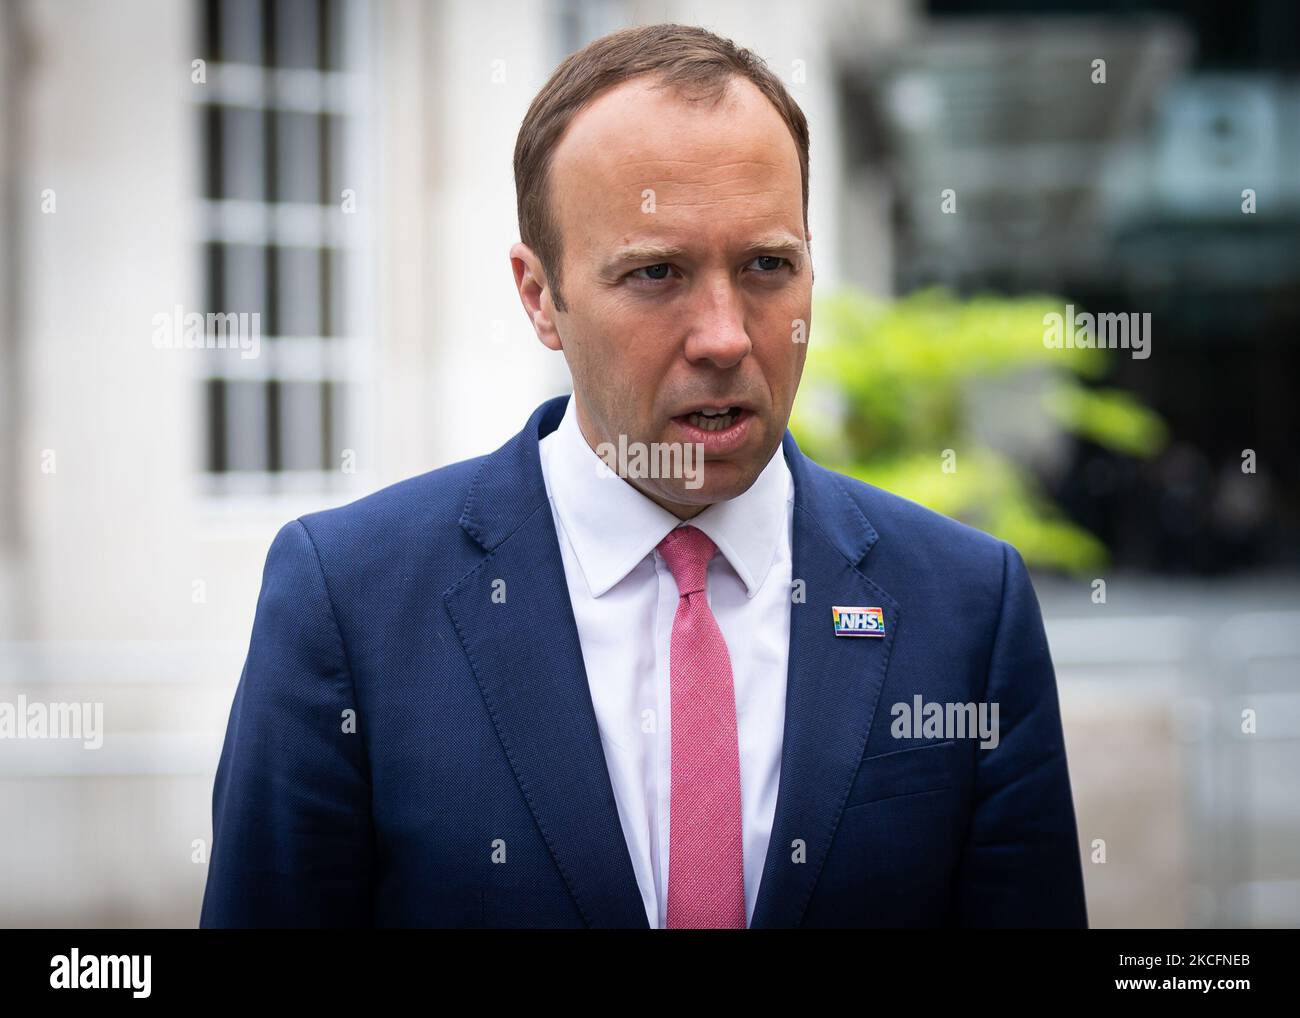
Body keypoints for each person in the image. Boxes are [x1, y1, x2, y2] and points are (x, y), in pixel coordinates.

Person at [200, 22, 1088, 929]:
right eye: (657, 273)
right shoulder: (350, 601)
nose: (725, 335)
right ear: (541, 296)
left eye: (768, 266)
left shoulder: (968, 609)